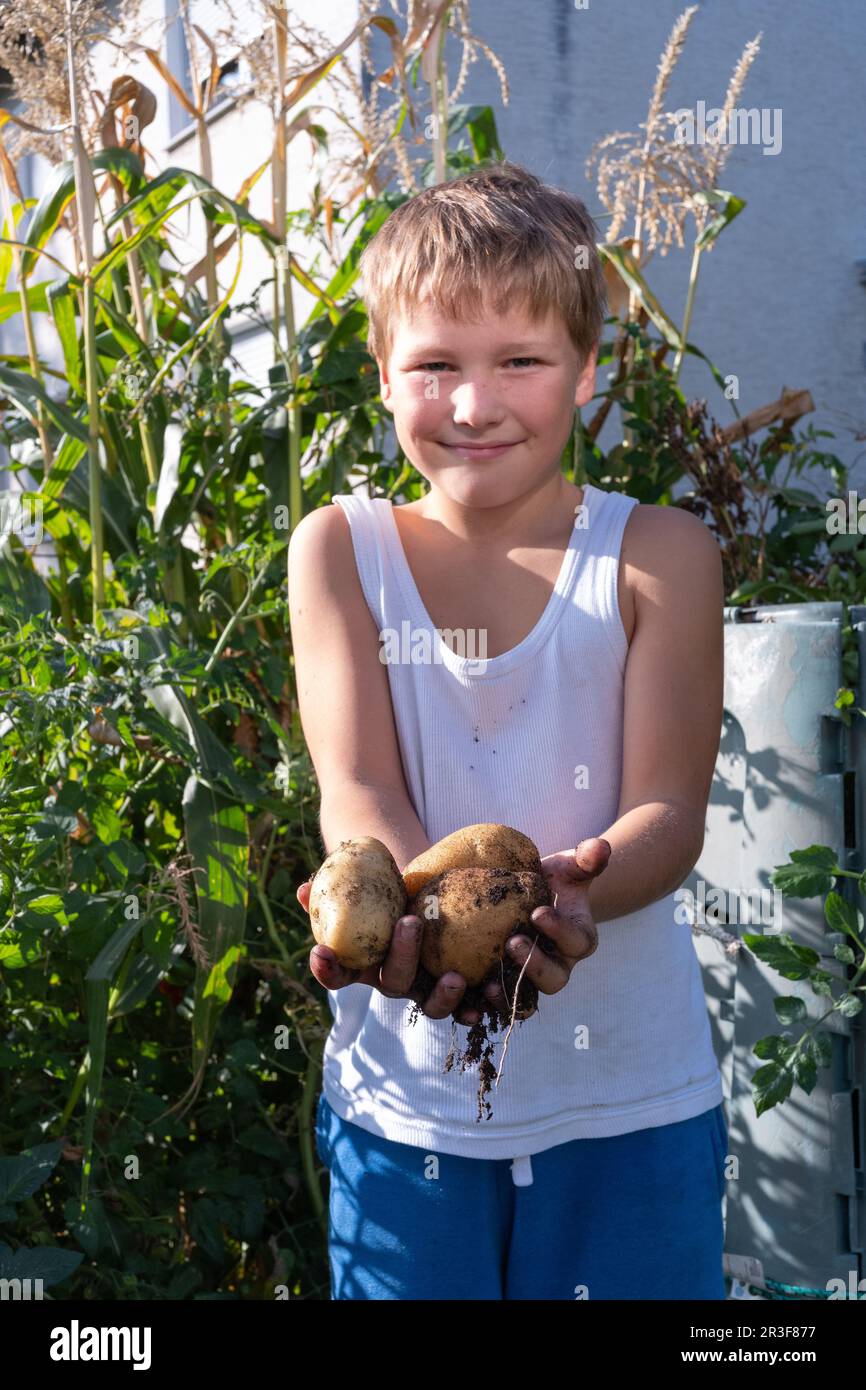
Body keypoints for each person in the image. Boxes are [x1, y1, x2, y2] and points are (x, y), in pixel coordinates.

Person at [288, 161, 728, 1301]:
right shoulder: (339, 551)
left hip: (628, 1098)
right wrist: (411, 920)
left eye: (519, 362)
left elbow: (668, 812)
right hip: (403, 1106)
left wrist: (574, 887)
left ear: (586, 370)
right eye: (433, 365)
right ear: (381, 373)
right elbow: (356, 791)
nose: (474, 406)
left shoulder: (658, 555)